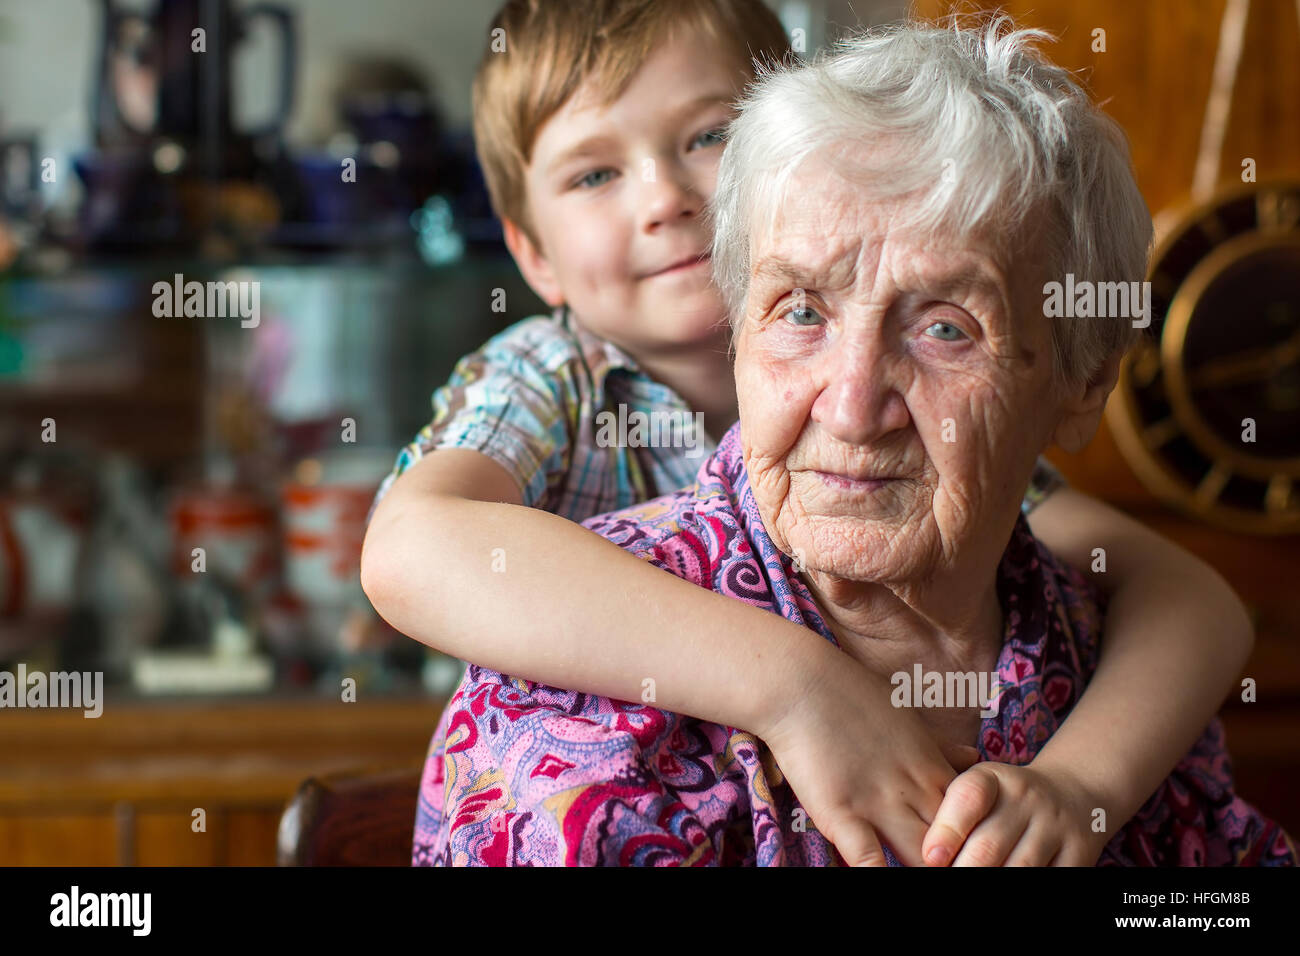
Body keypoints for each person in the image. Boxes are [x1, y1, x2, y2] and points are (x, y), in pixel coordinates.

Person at [361, 4, 1262, 866]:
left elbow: (1186, 599)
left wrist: (1084, 784)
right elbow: (412, 548)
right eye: (799, 313)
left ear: (1076, 383)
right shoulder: (547, 375)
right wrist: (796, 686)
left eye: (945, 327)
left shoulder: (1035, 578)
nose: (851, 410)